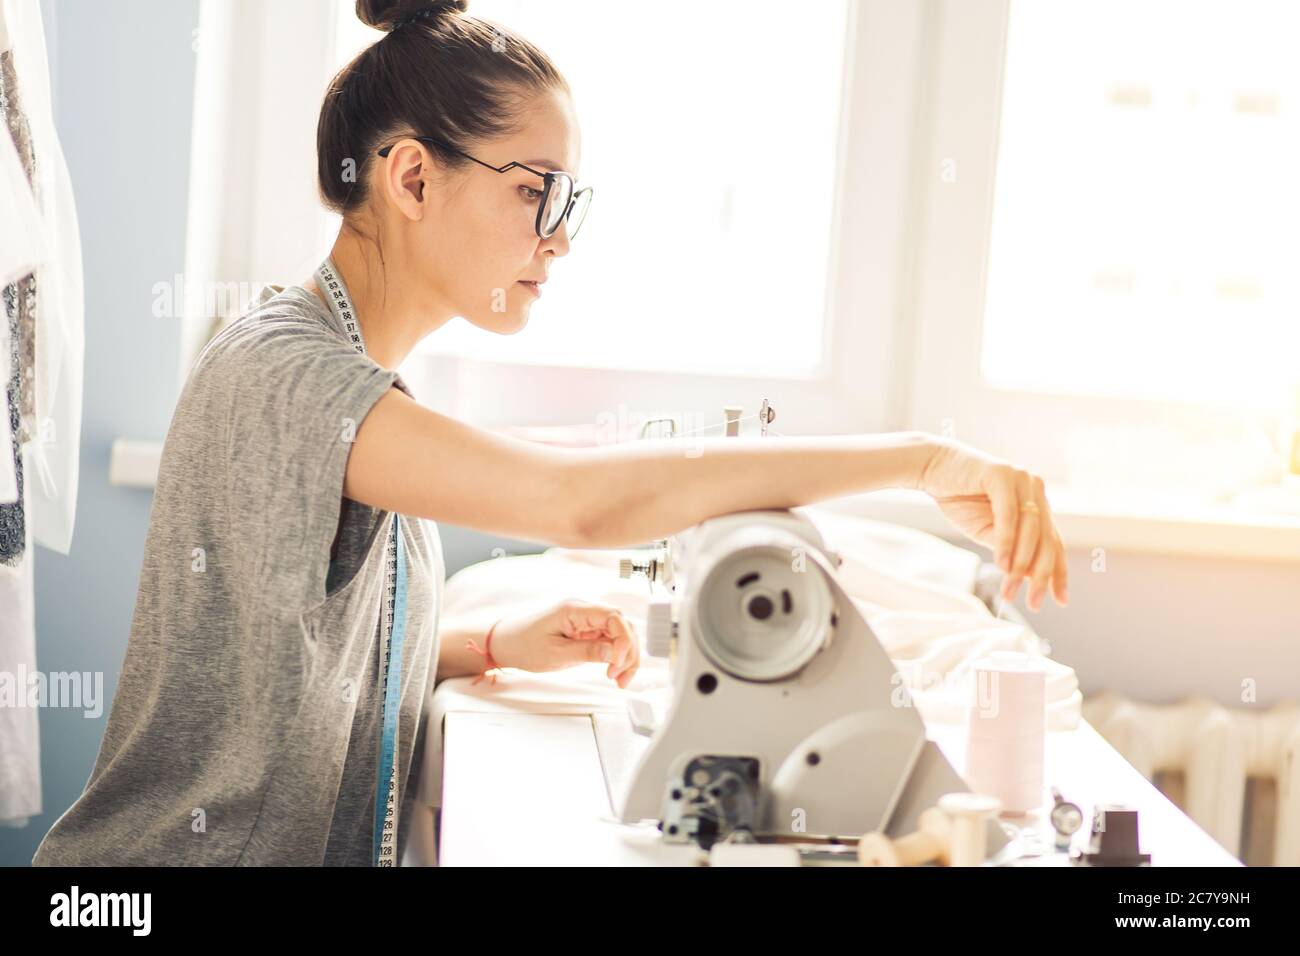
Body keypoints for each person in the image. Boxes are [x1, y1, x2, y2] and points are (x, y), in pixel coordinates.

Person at [32, 0, 1067, 867]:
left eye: (568, 200)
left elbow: (283, 653)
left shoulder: (344, 372)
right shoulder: (287, 374)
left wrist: (479, 643)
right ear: (409, 178)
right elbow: (582, 499)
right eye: (536, 192)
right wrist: (920, 457)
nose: (559, 238)